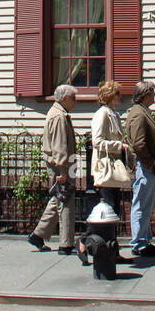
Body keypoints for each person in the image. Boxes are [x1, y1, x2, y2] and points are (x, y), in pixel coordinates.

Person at [27, 84, 81, 259]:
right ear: (64, 99)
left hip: (62, 164)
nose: (76, 101)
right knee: (65, 202)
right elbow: (60, 147)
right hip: (61, 165)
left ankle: (38, 235)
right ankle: (66, 244)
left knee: (58, 198)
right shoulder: (58, 116)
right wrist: (63, 171)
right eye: (73, 98)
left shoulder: (58, 113)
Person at [123, 80, 155, 258]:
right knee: (141, 204)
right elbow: (139, 144)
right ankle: (138, 243)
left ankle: (145, 240)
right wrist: (151, 164)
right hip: (144, 167)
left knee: (146, 204)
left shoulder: (142, 112)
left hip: (145, 166)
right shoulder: (139, 114)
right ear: (146, 95)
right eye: (153, 93)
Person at [90, 80, 134, 221]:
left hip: (115, 165)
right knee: (109, 206)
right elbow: (97, 142)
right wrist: (119, 145)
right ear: (109, 95)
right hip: (105, 166)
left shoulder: (114, 113)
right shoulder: (102, 114)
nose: (120, 96)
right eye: (117, 93)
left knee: (115, 206)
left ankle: (111, 239)